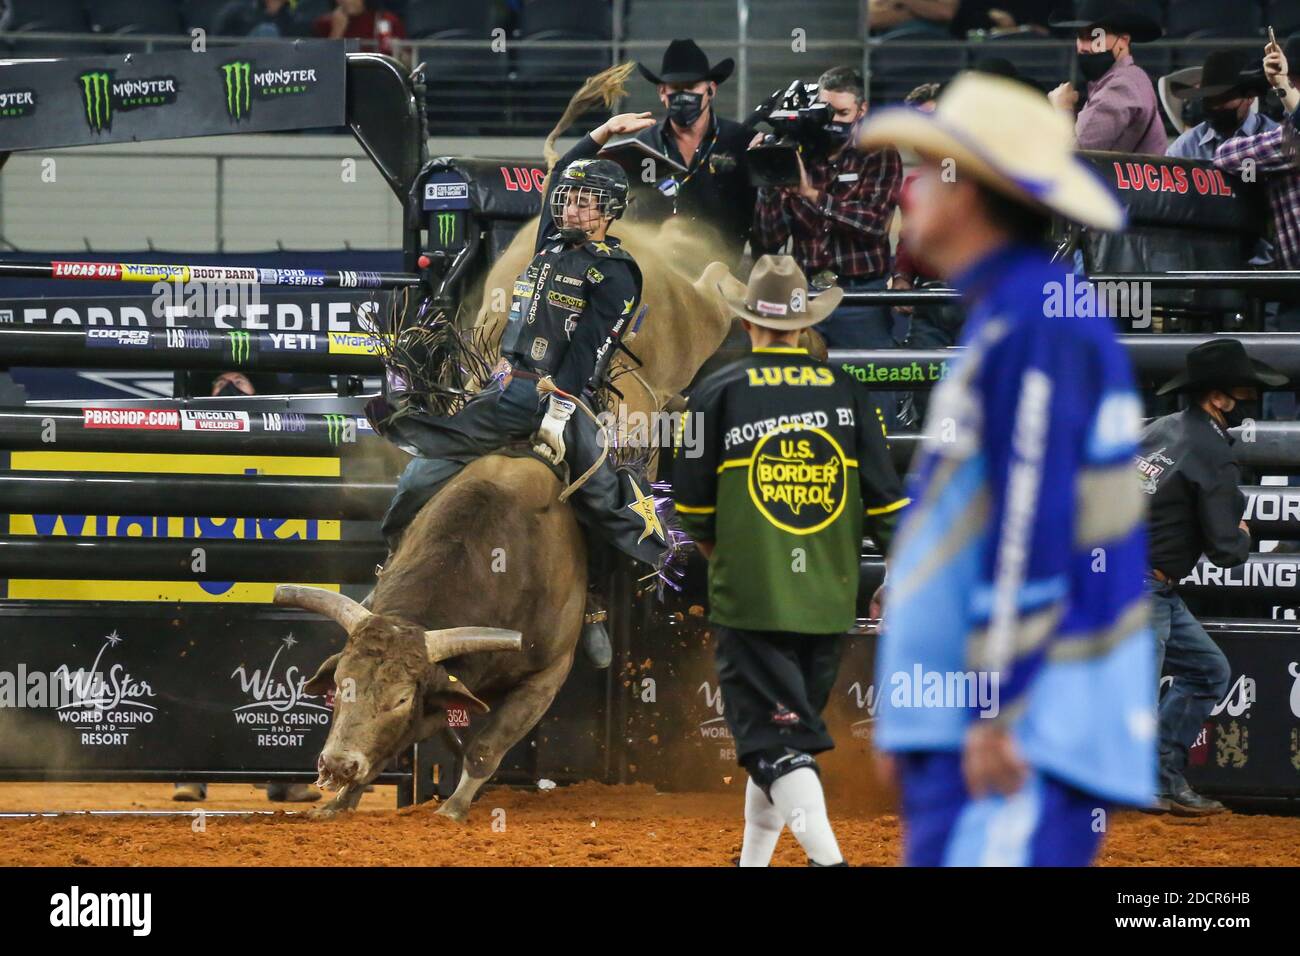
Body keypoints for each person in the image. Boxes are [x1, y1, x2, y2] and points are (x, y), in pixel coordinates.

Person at [860, 71, 1155, 866]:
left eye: (925, 171)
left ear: (972, 191)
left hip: (1017, 720)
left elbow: (1032, 513)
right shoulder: (1019, 314)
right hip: (984, 717)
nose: (907, 190)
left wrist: (995, 703)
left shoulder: (1034, 320)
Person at [370, 112, 672, 668]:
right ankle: (391, 566)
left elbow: (595, 345)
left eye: (585, 202)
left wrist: (565, 398)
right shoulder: (555, 245)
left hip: (559, 397)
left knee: (608, 499)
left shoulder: (616, 270)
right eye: (570, 199)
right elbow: (556, 179)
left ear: (608, 213)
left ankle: (604, 602)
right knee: (418, 477)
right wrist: (601, 135)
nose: (570, 207)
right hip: (509, 387)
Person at [672, 254, 908, 867]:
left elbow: (694, 515)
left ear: (747, 322)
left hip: (752, 604)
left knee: (775, 746)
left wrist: (740, 565)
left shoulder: (715, 393)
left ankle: (830, 864)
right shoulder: (850, 394)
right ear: (804, 327)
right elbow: (890, 511)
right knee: (779, 739)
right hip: (829, 605)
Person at [1138, 339, 1287, 815]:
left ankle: (1157, 778)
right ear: (1218, 398)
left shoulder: (1159, 429)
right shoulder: (1214, 454)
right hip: (1144, 586)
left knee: (1207, 671)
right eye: (1241, 390)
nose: (1248, 398)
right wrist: (1242, 532)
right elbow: (1225, 551)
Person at [752, 66, 903, 353]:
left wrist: (812, 195)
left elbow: (873, 225)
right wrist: (769, 177)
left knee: (873, 382)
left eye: (843, 113)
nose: (833, 120)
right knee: (801, 386)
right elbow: (768, 238)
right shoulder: (798, 149)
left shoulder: (879, 151)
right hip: (804, 293)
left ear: (862, 110)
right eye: (826, 111)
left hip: (860, 295)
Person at [632, 39, 758, 268]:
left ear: (711, 89)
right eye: (676, 88)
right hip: (659, 273)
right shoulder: (643, 145)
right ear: (662, 92)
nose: (683, 95)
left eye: (691, 87)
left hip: (724, 274)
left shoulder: (741, 141)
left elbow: (762, 213)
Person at [1046, 0, 1167, 154]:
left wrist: (1062, 109)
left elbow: (1076, 158)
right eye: (1080, 37)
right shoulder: (1129, 77)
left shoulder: (1120, 86)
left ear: (1123, 41)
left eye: (1095, 37)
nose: (1083, 47)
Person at [1166, 50, 1277, 161]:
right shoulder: (1185, 148)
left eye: (1224, 98)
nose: (1215, 106)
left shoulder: (1275, 140)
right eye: (1209, 99)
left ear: (1250, 97)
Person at [312, 0, 405, 56]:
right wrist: (336, 31)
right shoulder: (325, 23)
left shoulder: (386, 20)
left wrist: (397, 51)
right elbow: (320, 63)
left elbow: (410, 60)